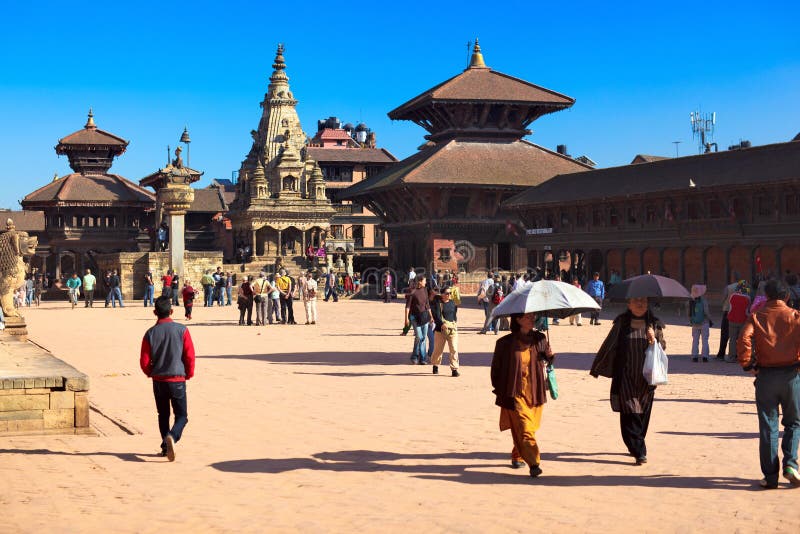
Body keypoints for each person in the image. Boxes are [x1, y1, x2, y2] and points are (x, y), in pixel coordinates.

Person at [737, 279, 800, 488]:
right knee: (794, 423)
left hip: (766, 377)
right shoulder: (795, 316)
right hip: (791, 375)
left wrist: (748, 364)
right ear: (787, 297)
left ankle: (770, 477)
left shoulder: (756, 317)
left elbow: (743, 339)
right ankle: (790, 464)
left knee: (768, 426)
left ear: (766, 296)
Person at [591, 296, 666, 465]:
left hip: (647, 379)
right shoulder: (622, 323)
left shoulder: (654, 323)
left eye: (644, 302)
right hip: (625, 376)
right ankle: (639, 451)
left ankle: (636, 443)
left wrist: (654, 340)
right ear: (628, 304)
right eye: (636, 301)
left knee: (643, 414)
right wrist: (599, 366)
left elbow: (663, 348)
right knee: (630, 412)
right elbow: (609, 345)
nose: (640, 304)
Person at [490, 312, 554, 477]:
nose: (532, 318)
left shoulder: (540, 339)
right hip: (515, 392)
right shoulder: (505, 343)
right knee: (525, 427)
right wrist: (501, 389)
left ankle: (517, 454)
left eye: (533, 316)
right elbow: (496, 369)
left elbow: (545, 361)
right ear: (518, 320)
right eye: (528, 316)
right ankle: (534, 463)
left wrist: (550, 356)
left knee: (529, 428)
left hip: (535, 391)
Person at [139, 295, 195, 461]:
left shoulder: (150, 333)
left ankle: (165, 447)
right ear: (171, 311)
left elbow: (144, 361)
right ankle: (172, 436)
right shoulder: (182, 330)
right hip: (177, 378)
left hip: (159, 380)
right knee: (182, 416)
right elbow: (189, 356)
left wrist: (151, 372)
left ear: (155, 312)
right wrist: (189, 373)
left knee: (163, 414)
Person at [430, 287, 459, 377]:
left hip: (452, 329)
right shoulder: (437, 303)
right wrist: (442, 324)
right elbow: (436, 315)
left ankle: (454, 369)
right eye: (447, 293)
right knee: (438, 350)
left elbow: (454, 314)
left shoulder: (452, 303)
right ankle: (435, 365)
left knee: (454, 349)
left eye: (450, 293)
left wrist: (454, 323)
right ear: (442, 294)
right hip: (440, 330)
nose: (449, 295)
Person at [405, 277, 432, 365]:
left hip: (424, 317)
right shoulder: (412, 292)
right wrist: (406, 319)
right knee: (419, 337)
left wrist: (431, 316)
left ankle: (422, 358)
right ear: (420, 282)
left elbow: (427, 304)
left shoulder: (425, 290)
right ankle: (415, 356)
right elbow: (407, 307)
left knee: (423, 338)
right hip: (414, 318)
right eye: (424, 281)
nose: (425, 282)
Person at [727, 281, 751, 362]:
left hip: (732, 319)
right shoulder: (747, 298)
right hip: (742, 320)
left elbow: (730, 308)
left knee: (732, 339)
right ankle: (741, 356)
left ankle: (731, 357)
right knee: (741, 339)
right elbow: (747, 311)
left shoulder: (732, 296)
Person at [716, 278, 739, 360]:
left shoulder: (729, 287)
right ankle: (736, 354)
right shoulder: (743, 287)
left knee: (724, 334)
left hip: (727, 311)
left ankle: (721, 354)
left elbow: (723, 299)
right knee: (737, 335)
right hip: (738, 312)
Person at [688, 284, 711, 362]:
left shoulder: (690, 301)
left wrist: (691, 320)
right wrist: (710, 319)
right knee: (705, 340)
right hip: (704, 322)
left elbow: (689, 313)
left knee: (695, 340)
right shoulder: (703, 301)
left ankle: (694, 356)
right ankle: (705, 356)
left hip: (694, 324)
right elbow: (706, 312)